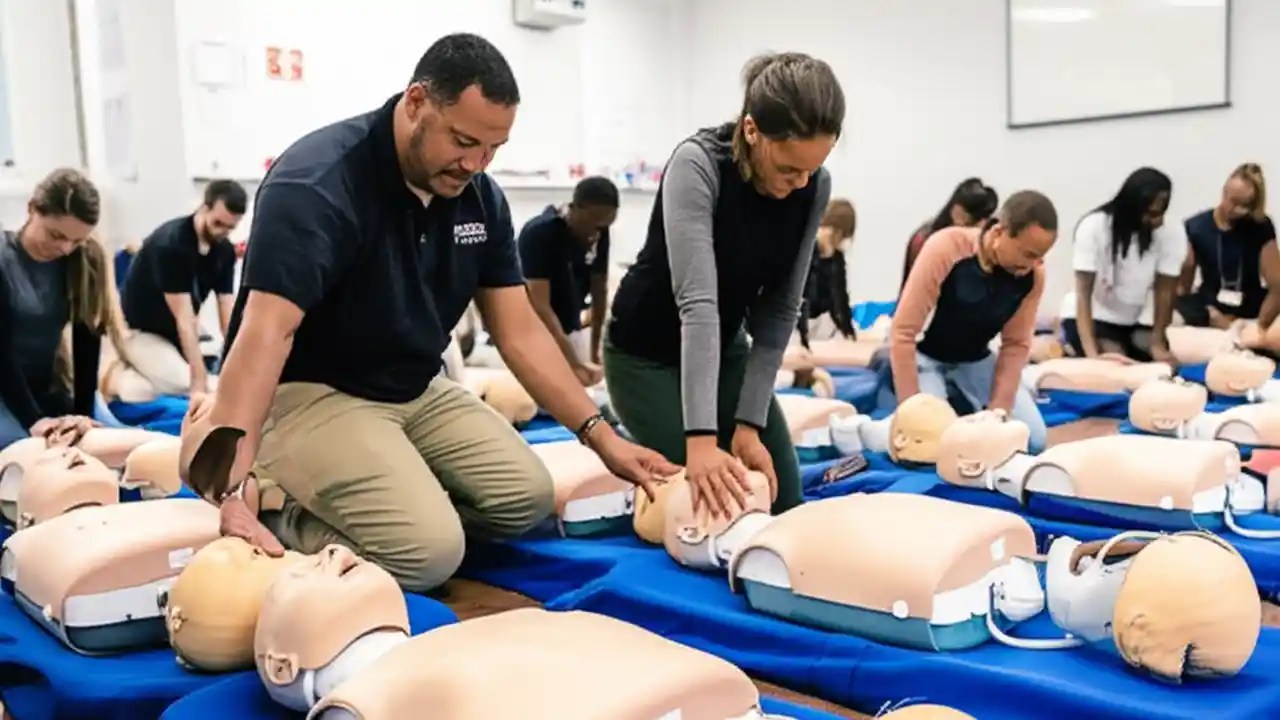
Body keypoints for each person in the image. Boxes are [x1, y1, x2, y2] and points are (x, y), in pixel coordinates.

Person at [186, 33, 676, 593]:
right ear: (416, 102)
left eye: (494, 148)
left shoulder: (479, 196)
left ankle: (398, 505)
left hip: (413, 387)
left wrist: (601, 436)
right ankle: (280, 504)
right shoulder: (319, 183)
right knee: (428, 557)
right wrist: (232, 484)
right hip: (311, 391)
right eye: (464, 141)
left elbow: (518, 331)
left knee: (526, 500)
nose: (476, 163)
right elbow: (267, 333)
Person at [605, 52, 844, 517]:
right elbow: (698, 306)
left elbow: (779, 311)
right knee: (720, 507)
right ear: (752, 130)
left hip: (725, 351)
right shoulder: (698, 166)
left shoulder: (814, 187)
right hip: (644, 357)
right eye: (789, 169)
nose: (801, 183)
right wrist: (701, 442)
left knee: (783, 500)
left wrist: (749, 424)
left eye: (812, 170)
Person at [892, 190, 1057, 454]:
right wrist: (911, 411)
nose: (1033, 264)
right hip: (926, 357)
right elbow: (902, 332)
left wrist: (998, 413)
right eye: (1028, 254)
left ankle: (964, 403)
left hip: (975, 360)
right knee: (933, 443)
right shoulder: (946, 248)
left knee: (1031, 440)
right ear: (1000, 232)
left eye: (1040, 256)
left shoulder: (1031, 275)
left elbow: (1015, 345)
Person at [0, 169, 126, 449]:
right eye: (56, 235)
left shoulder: (84, 259)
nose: (65, 248)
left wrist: (82, 415)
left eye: (76, 240)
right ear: (32, 209)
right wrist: (33, 420)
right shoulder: (4, 260)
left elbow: (87, 339)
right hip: (5, 391)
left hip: (48, 386)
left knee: (112, 444)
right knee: (29, 450)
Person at [119, 180, 247, 396]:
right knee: (188, 384)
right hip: (141, 333)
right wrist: (198, 381)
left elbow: (228, 311)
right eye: (218, 223)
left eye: (230, 228)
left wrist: (241, 366)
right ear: (204, 208)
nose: (222, 232)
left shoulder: (224, 251)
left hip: (178, 338)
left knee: (226, 377)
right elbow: (184, 319)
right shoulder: (171, 245)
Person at [1062, 168, 1184, 362]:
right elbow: (1083, 294)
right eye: (1152, 214)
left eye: (1162, 213)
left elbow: (1165, 292)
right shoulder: (1094, 226)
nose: (1158, 221)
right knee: (1115, 361)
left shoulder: (1172, 231)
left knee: (1162, 365)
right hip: (1095, 317)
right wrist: (1091, 354)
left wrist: (1158, 342)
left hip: (1137, 321)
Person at [517, 176, 618, 381]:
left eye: (604, 226)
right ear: (575, 209)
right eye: (594, 224)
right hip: (531, 327)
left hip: (570, 324)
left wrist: (594, 354)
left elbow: (600, 293)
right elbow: (540, 306)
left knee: (581, 385)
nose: (597, 234)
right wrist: (574, 361)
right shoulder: (540, 234)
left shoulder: (599, 232)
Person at [1177, 163, 1278, 331]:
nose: (1236, 209)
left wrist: (1260, 325)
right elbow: (1183, 285)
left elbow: (1277, 283)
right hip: (1209, 307)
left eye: (1245, 205)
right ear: (1224, 192)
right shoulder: (1195, 227)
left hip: (1252, 305)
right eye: (1232, 201)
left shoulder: (1261, 226)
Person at [901, 178, 998, 290]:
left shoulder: (982, 245)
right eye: (979, 217)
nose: (983, 226)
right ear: (958, 213)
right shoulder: (925, 241)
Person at [797, 198, 856, 347]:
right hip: (802, 322)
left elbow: (841, 298)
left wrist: (848, 331)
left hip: (824, 323)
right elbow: (803, 295)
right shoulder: (806, 249)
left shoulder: (836, 257)